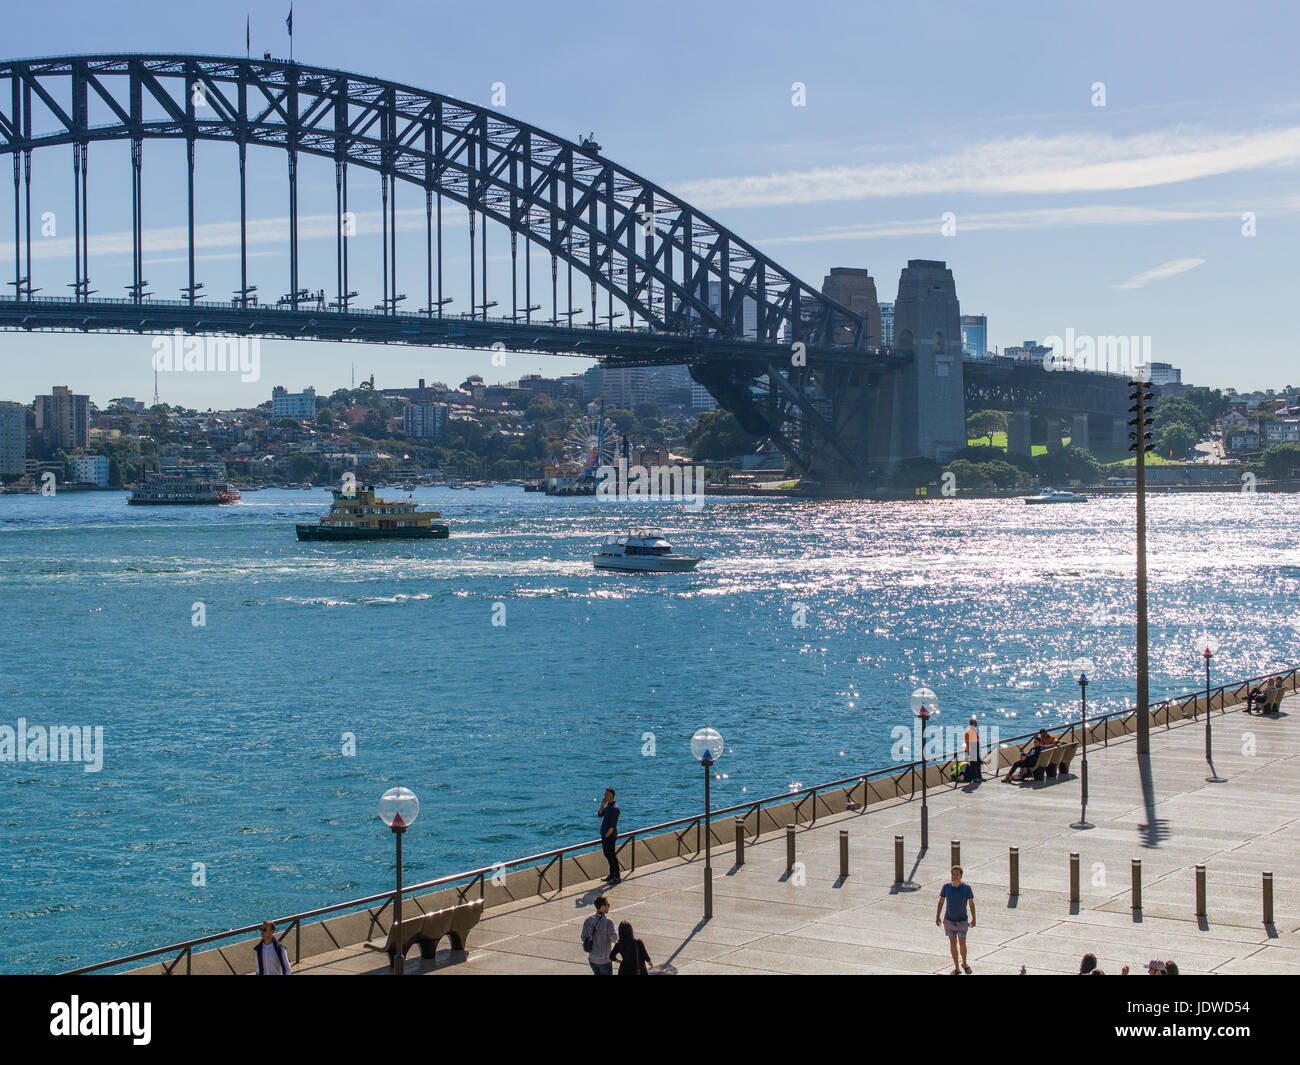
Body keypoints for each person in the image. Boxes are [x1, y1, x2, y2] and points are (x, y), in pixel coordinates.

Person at [935, 865, 976, 974]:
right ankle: (957, 968)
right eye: (953, 874)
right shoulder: (946, 887)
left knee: (962, 943)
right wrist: (937, 916)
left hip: (962, 921)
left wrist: (974, 918)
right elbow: (941, 902)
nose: (955, 876)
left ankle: (964, 963)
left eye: (957, 875)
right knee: (952, 943)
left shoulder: (967, 888)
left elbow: (971, 904)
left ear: (961, 876)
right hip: (949, 920)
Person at [580, 895, 617, 975]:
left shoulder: (588, 920)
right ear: (603, 906)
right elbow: (614, 938)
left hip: (592, 958)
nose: (608, 907)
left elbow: (583, 937)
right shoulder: (608, 922)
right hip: (604, 960)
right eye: (608, 905)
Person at [597, 787, 621, 884]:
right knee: (608, 855)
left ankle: (616, 876)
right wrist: (602, 804)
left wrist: (607, 835)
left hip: (609, 836)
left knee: (611, 856)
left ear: (611, 795)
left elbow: (613, 824)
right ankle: (611, 875)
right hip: (605, 835)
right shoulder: (608, 806)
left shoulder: (614, 808)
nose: (604, 795)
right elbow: (599, 814)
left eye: (606, 794)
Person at [963, 716, 983, 782]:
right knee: (973, 764)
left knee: (978, 762)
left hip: (975, 747)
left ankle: (979, 777)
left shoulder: (974, 730)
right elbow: (968, 742)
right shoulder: (969, 731)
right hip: (973, 748)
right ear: (973, 723)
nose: (977, 723)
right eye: (975, 722)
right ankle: (975, 778)